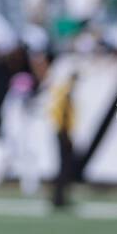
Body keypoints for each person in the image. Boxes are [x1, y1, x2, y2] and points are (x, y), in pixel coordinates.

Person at [48, 71, 78, 209]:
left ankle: (59, 197)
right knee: (64, 167)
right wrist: (67, 134)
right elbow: (64, 116)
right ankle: (59, 198)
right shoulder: (66, 93)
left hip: (61, 132)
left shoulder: (61, 92)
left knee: (64, 167)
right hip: (63, 133)